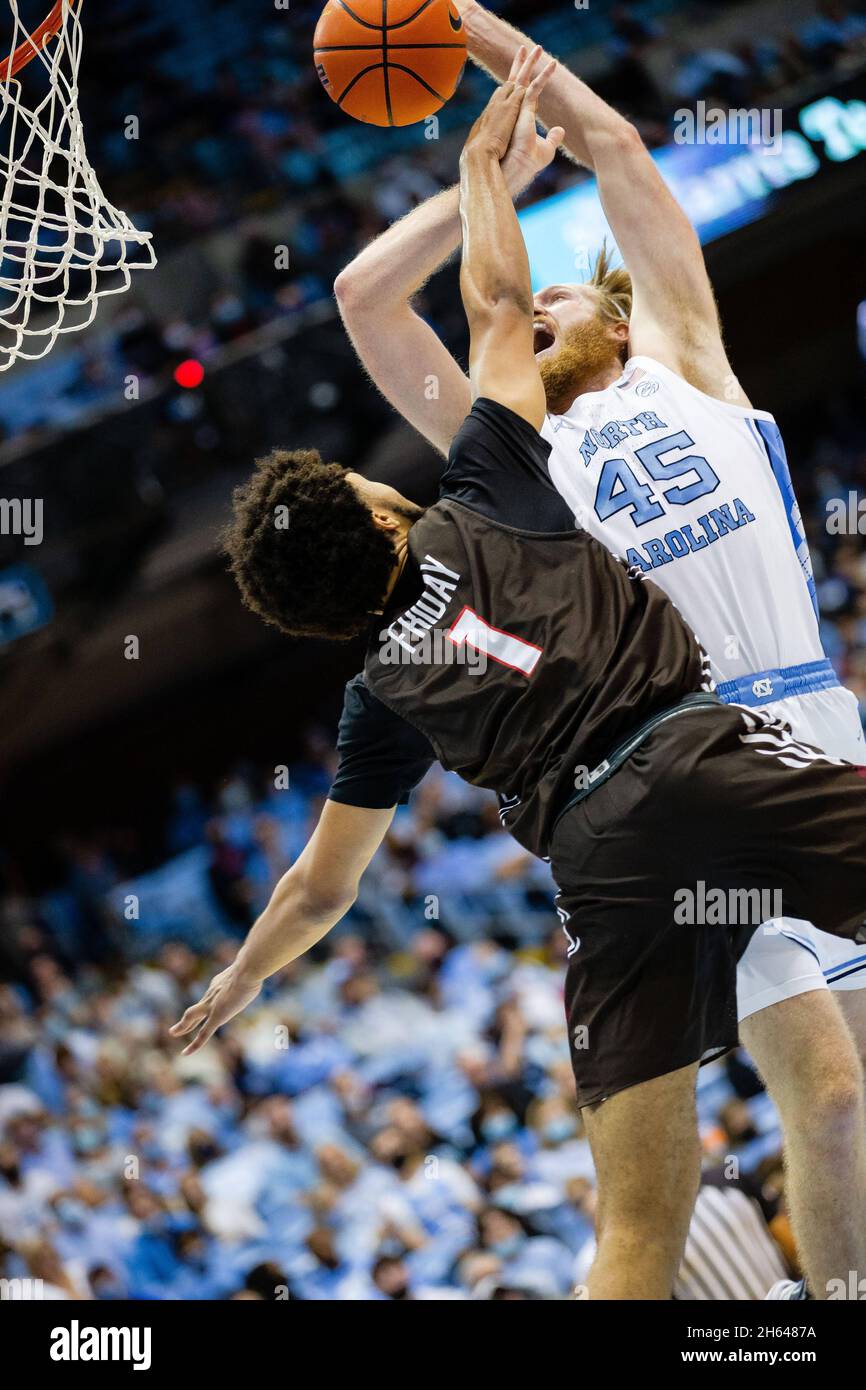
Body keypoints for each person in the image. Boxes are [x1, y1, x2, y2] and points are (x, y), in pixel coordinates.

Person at [173, 75, 866, 1300]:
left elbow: (321, 882)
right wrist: (482, 168)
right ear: (385, 507)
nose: (543, 306)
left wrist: (242, 976)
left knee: (662, 1213)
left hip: (604, 855)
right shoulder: (496, 478)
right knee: (807, 1101)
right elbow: (471, 298)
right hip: (702, 749)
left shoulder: (378, 684)